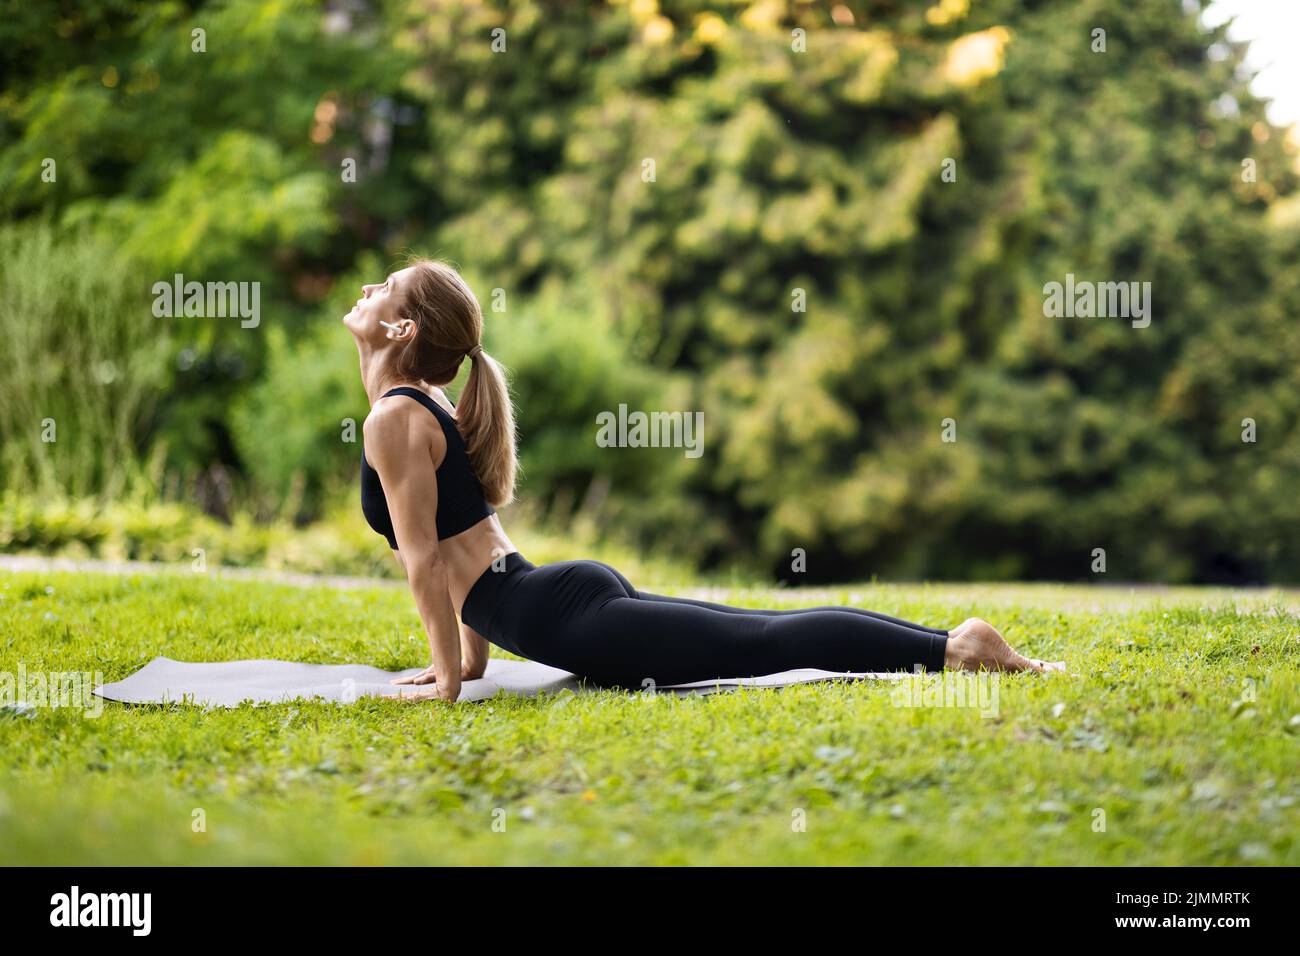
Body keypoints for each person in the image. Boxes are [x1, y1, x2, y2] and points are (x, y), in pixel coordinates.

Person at [343, 259, 1065, 702]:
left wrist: (446, 678)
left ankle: (954, 648)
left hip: (554, 612)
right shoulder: (414, 408)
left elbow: (429, 563)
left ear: (402, 331)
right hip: (547, 597)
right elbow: (458, 547)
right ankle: (953, 645)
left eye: (388, 288)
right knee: (759, 634)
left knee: (763, 645)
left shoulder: (393, 421)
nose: (371, 287)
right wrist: (468, 663)